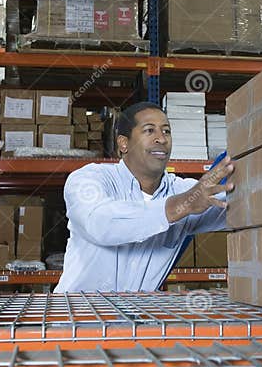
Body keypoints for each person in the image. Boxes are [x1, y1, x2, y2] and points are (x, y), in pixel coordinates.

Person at [54, 101, 234, 292]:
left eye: (166, 131)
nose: (161, 139)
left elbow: (241, 208)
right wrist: (181, 206)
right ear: (124, 143)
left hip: (135, 318)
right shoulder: (88, 178)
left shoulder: (184, 191)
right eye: (149, 131)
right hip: (77, 315)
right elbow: (100, 223)